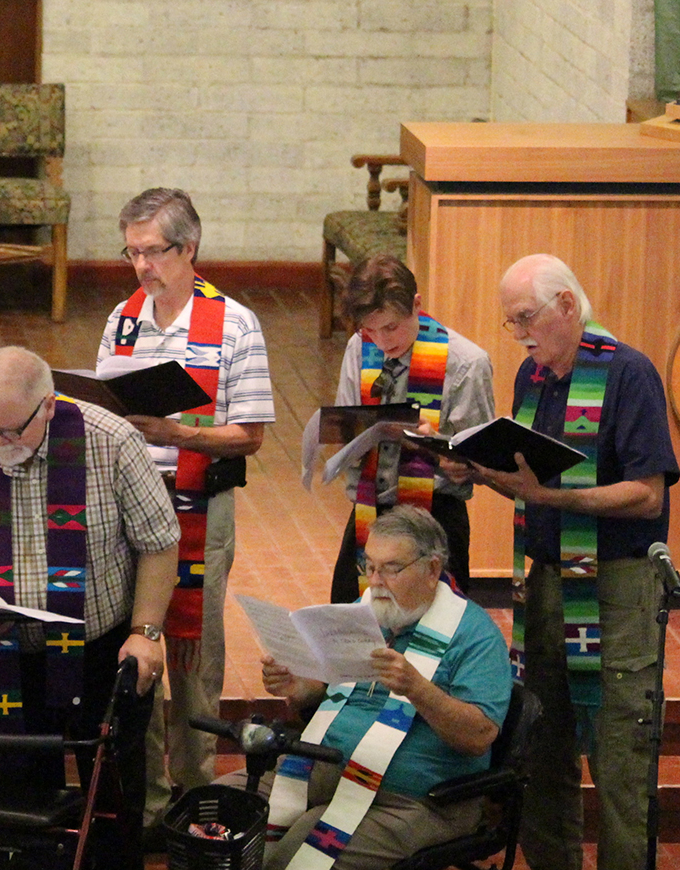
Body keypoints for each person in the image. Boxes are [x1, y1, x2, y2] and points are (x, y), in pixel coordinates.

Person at [450, 254, 677, 870]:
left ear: (568, 307)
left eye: (526, 317)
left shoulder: (628, 373)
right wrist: (476, 470)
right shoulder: (533, 378)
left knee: (618, 763)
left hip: (616, 590)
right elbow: (532, 484)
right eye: (511, 323)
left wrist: (554, 496)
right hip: (544, 585)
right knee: (541, 748)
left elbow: (649, 493)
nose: (520, 334)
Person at [0, 346, 178, 870]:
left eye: (10, 431)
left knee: (111, 799)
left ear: (47, 406)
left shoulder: (112, 442)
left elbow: (159, 542)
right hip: (11, 651)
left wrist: (146, 632)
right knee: (23, 797)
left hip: (103, 648)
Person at [94, 187, 274, 833]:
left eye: (153, 251)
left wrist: (181, 436)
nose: (142, 266)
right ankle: (144, 804)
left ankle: (196, 804)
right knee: (135, 653)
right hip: (129, 509)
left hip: (199, 503)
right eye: (132, 252)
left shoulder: (234, 323)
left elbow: (250, 433)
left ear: (189, 248)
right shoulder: (122, 318)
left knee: (194, 662)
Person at [252, 506, 510, 870]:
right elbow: (329, 690)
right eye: (369, 566)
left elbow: (479, 735)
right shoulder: (368, 612)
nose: (374, 582)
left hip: (414, 799)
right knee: (226, 815)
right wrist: (296, 685)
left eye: (391, 568)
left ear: (432, 569)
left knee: (294, 859)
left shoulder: (475, 635)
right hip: (326, 769)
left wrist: (417, 689)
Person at [329, 254, 494, 603]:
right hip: (371, 510)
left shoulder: (465, 363)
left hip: (435, 516)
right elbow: (346, 429)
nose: (382, 342)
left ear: (416, 304)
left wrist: (441, 451)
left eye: (390, 327)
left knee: (435, 637)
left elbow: (483, 463)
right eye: (370, 329)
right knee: (351, 627)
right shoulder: (360, 347)